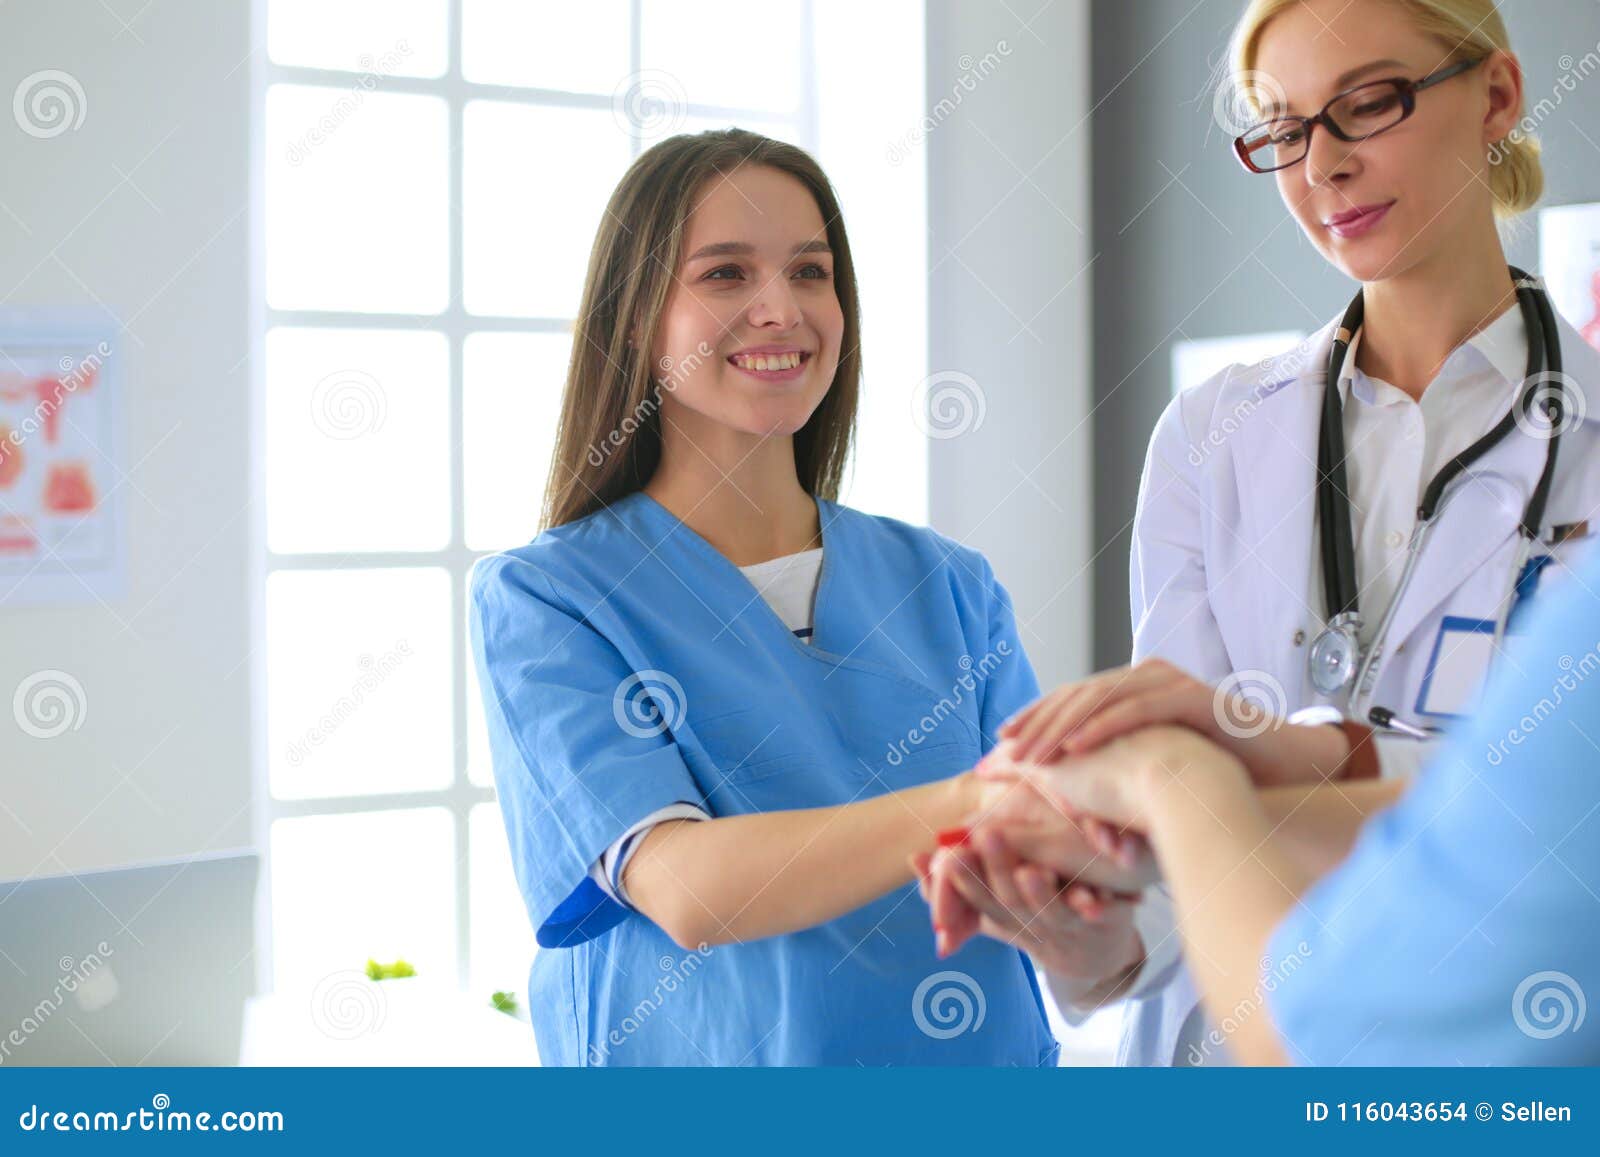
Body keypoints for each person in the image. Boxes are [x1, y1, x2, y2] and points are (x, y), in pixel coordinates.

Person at [921, 0, 1600, 1066]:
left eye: (1367, 103)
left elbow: (1555, 807)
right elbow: (1160, 839)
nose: (1322, 166)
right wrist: (1081, 935)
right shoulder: (1212, 433)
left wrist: (1283, 760)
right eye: (1284, 129)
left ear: (1498, 97)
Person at [469, 129, 1139, 1066]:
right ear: (634, 319)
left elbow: (1080, 945)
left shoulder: (950, 586)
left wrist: (1089, 930)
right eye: (725, 275)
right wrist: (976, 802)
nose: (780, 309)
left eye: (811, 272)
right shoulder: (550, 599)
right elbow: (689, 892)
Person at [969, 534, 1600, 1065]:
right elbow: (1503, 820)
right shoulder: (1214, 428)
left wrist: (1177, 781)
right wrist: (1114, 890)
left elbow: (1319, 1028)